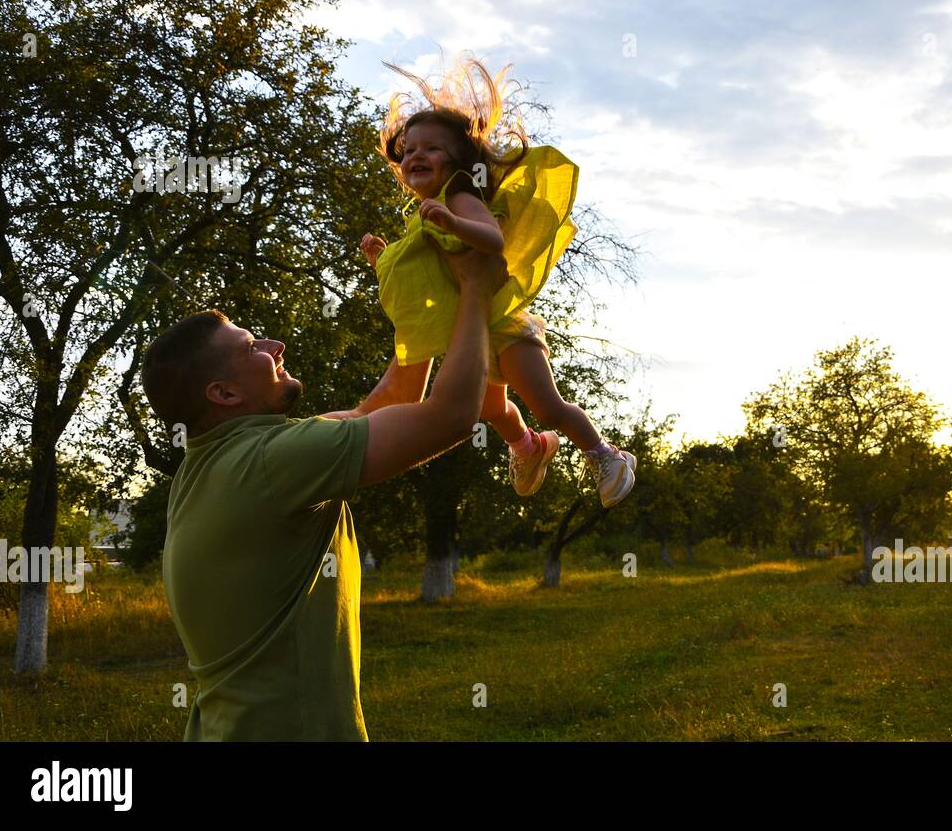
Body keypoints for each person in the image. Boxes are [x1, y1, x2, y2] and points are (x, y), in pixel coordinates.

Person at [144, 244, 507, 741]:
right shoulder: (270, 462)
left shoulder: (222, 461)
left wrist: (421, 303)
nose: (275, 346)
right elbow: (450, 416)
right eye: (252, 347)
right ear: (224, 394)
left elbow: (382, 408)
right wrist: (476, 288)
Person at [341, 54, 635, 508]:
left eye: (432, 148)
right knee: (487, 410)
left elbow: (492, 241)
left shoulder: (459, 195)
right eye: (410, 148)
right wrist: (382, 258)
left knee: (547, 405)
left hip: (505, 328)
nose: (417, 155)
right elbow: (431, 277)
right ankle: (529, 447)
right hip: (473, 335)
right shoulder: (426, 212)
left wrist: (455, 223)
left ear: (460, 159)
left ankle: (605, 454)